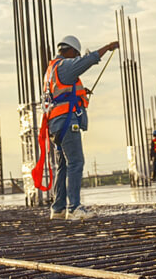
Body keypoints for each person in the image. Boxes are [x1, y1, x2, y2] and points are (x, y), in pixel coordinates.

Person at [42, 34, 118, 221]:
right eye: (75, 55)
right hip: (66, 122)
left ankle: (58, 209)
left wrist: (81, 93)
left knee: (64, 166)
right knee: (76, 162)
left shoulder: (51, 69)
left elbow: (62, 93)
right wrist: (107, 47)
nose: (76, 58)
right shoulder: (65, 65)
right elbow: (87, 61)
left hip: (55, 125)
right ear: (70, 51)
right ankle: (74, 207)